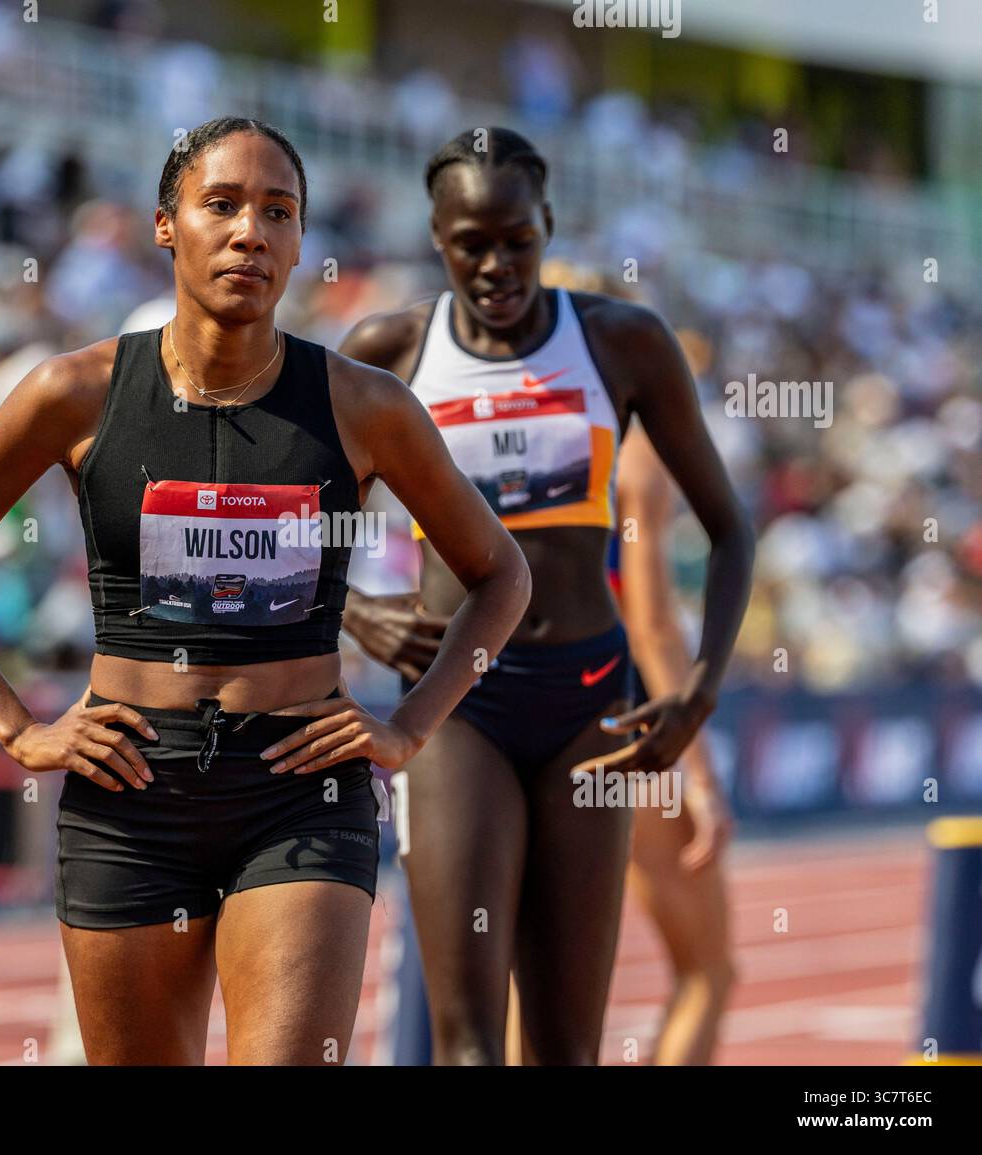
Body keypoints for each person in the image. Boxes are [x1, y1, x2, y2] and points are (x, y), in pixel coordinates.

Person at [0, 116, 531, 1066]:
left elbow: (500, 572)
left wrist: (411, 726)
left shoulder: (363, 406)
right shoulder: (74, 393)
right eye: (221, 205)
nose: (250, 234)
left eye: (279, 212)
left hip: (299, 788)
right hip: (128, 790)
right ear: (164, 225)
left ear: (303, 241)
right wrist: (20, 727)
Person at [338, 127, 753, 1065]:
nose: (495, 265)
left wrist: (700, 689)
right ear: (436, 239)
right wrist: (356, 609)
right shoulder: (388, 350)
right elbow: (311, 522)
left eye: (517, 240)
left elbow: (730, 526)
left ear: (548, 226)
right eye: (470, 243)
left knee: (567, 1047)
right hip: (459, 704)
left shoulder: (622, 343)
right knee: (471, 1044)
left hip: (589, 703)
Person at [612, 421, 737, 1064]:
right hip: (629, 727)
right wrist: (702, 778)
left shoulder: (492, 417)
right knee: (707, 972)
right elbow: (651, 623)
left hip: (517, 721)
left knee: (534, 981)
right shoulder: (637, 446)